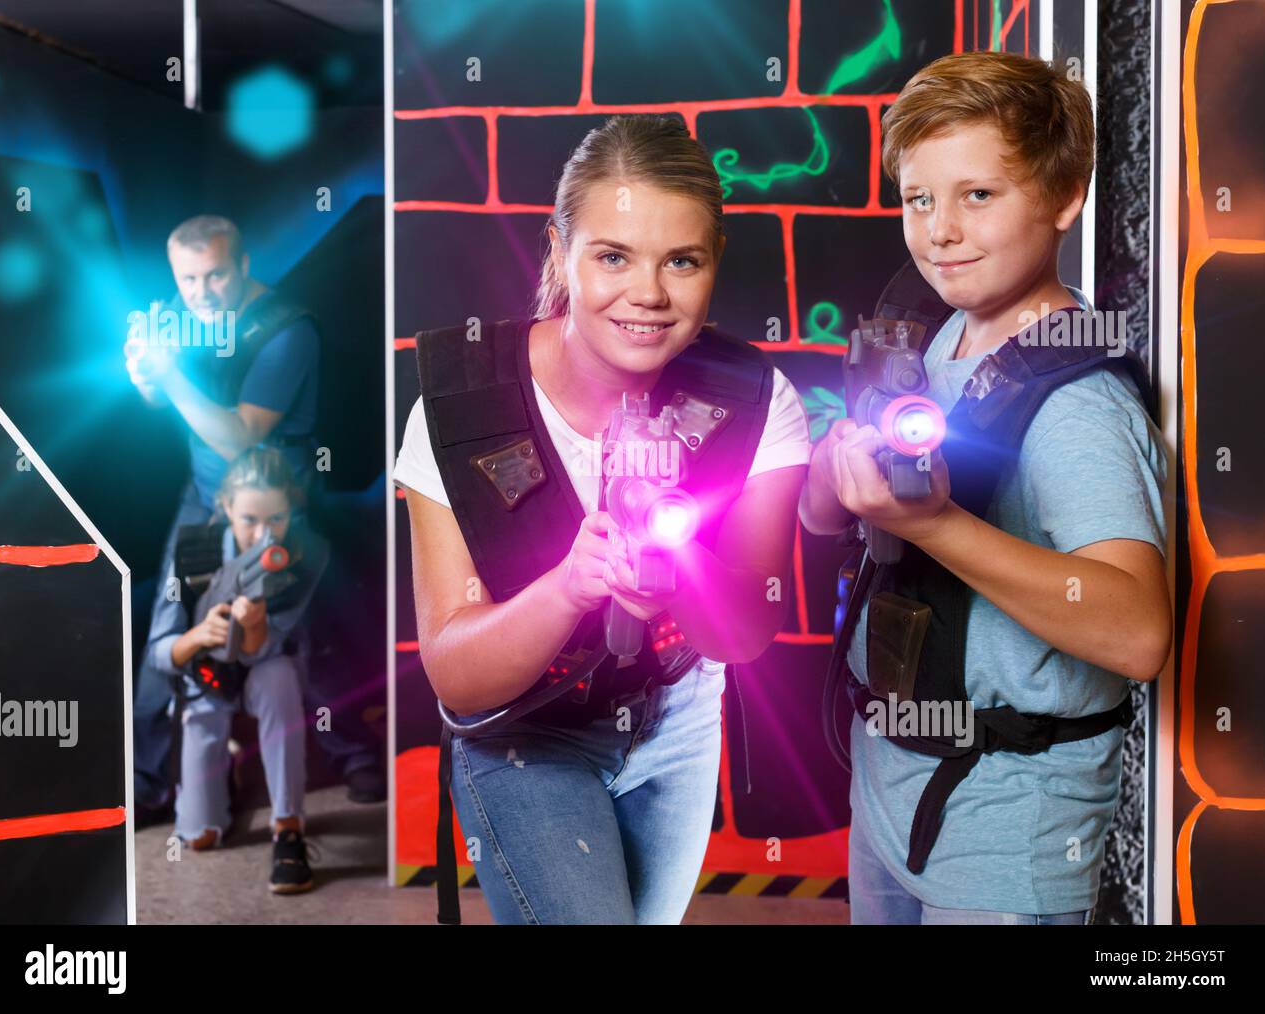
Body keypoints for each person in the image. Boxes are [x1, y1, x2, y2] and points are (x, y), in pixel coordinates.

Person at [395, 115, 812, 924]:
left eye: (681, 261)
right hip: (527, 731)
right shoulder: (461, 408)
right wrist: (575, 583)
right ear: (559, 250)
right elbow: (456, 673)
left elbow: (748, 630)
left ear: (713, 261)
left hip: (676, 719)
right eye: (613, 256)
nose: (648, 294)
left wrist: (678, 568)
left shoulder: (757, 400)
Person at [800, 51, 1171, 924]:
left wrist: (931, 522)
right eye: (918, 200)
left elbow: (1138, 631)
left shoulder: (1077, 405)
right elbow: (822, 521)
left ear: (1065, 195)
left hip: (1007, 824)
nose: (940, 232)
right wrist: (837, 468)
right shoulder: (930, 343)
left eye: (979, 195)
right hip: (890, 788)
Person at [126, 215, 383, 820]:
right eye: (188, 279)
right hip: (206, 498)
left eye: (215, 274)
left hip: (277, 503)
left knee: (302, 635)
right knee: (169, 625)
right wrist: (144, 370)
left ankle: (351, 749)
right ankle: (148, 779)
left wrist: (168, 373)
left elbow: (242, 437)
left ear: (242, 267)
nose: (201, 291)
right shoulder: (182, 312)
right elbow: (155, 398)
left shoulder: (287, 331)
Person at [146, 448, 328, 893]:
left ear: (293, 510)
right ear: (224, 506)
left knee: (279, 676)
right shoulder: (192, 549)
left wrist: (252, 624)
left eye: (277, 520)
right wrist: (198, 636)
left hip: (264, 670)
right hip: (205, 680)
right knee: (201, 837)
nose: (265, 536)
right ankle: (228, 769)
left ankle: (288, 827)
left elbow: (260, 648)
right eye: (249, 520)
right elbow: (158, 651)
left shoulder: (305, 555)